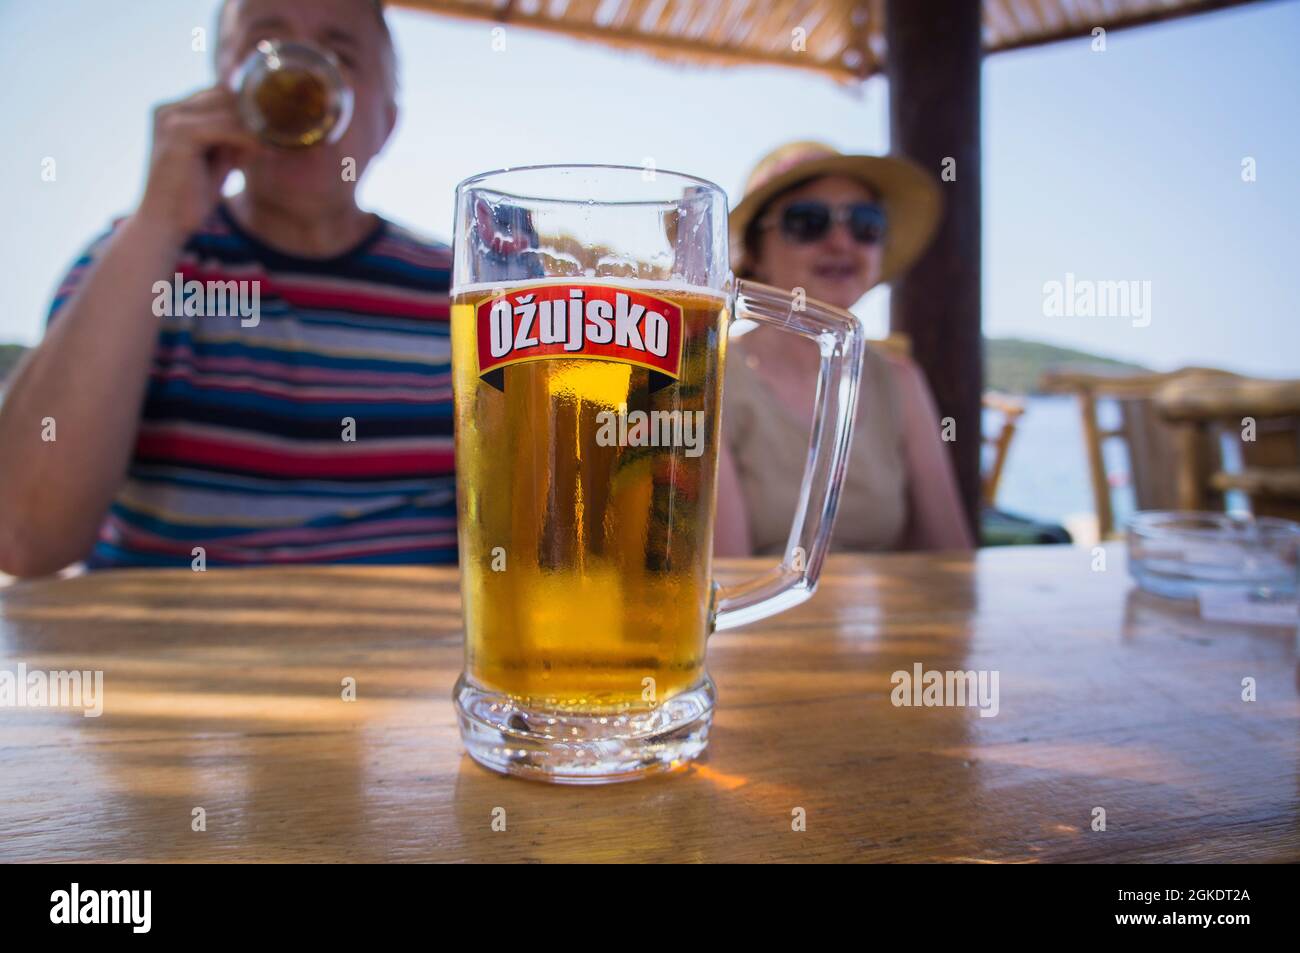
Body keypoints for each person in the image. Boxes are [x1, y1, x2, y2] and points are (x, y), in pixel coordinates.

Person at [0, 0, 457, 577]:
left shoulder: (458, 293)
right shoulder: (139, 260)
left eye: (341, 56)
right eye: (265, 48)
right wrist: (159, 223)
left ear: (387, 121)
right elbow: (24, 536)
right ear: (222, 87)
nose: (300, 76)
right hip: (168, 658)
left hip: (404, 658)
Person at [714, 142, 974, 556]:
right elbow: (727, 577)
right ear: (755, 253)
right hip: (768, 621)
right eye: (808, 222)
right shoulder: (712, 379)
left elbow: (952, 558)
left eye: (865, 224)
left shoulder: (899, 379)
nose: (841, 241)